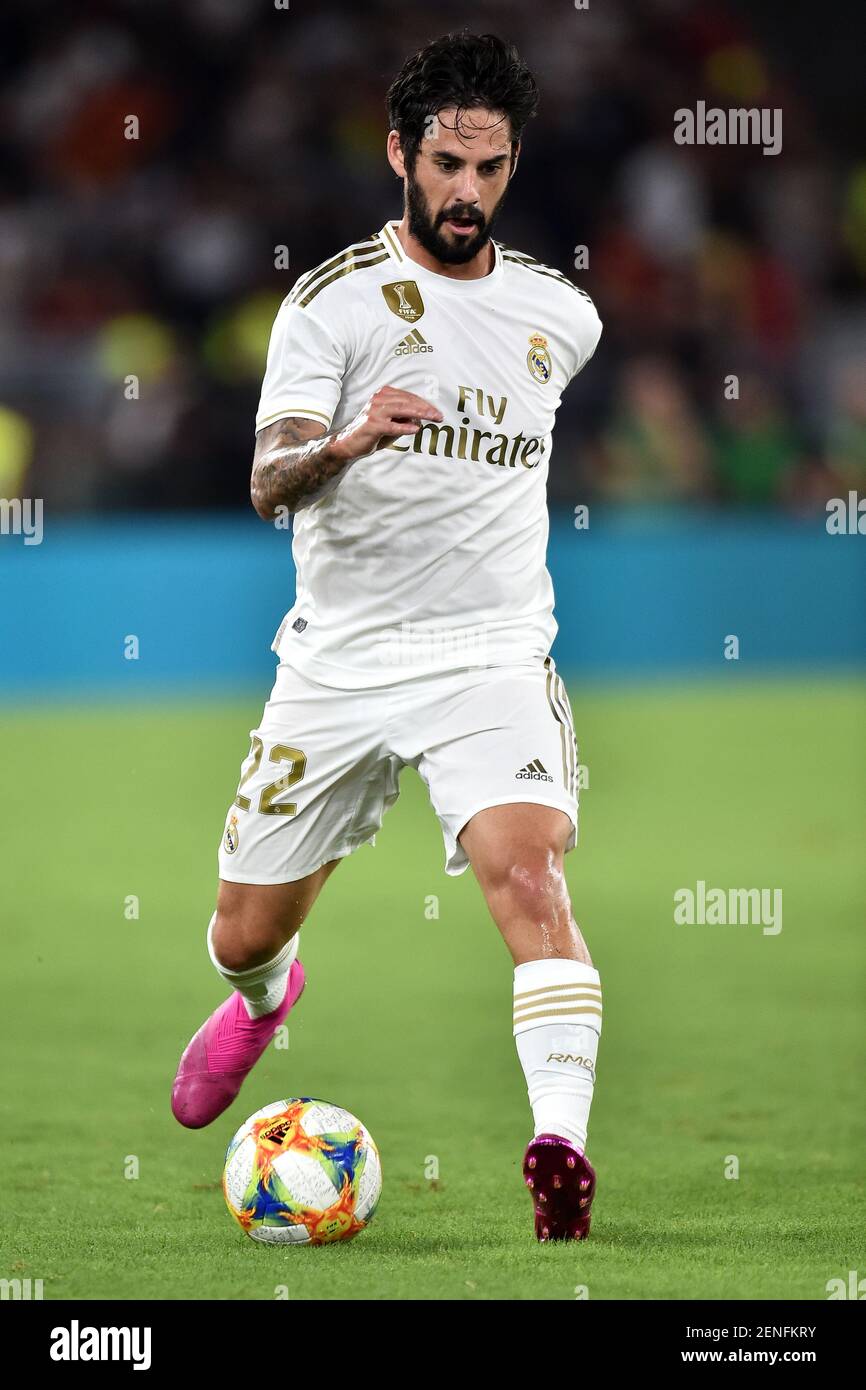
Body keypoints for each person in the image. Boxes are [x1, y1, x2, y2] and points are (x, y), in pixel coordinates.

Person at [172, 30, 603, 1242]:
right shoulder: (330, 306)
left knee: (530, 875)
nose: (468, 190)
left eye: (492, 166)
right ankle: (262, 1001)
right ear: (398, 155)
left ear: (513, 167)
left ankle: (557, 1148)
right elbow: (266, 482)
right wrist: (349, 444)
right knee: (241, 929)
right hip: (340, 662)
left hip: (489, 656)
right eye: (447, 163)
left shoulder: (559, 318)